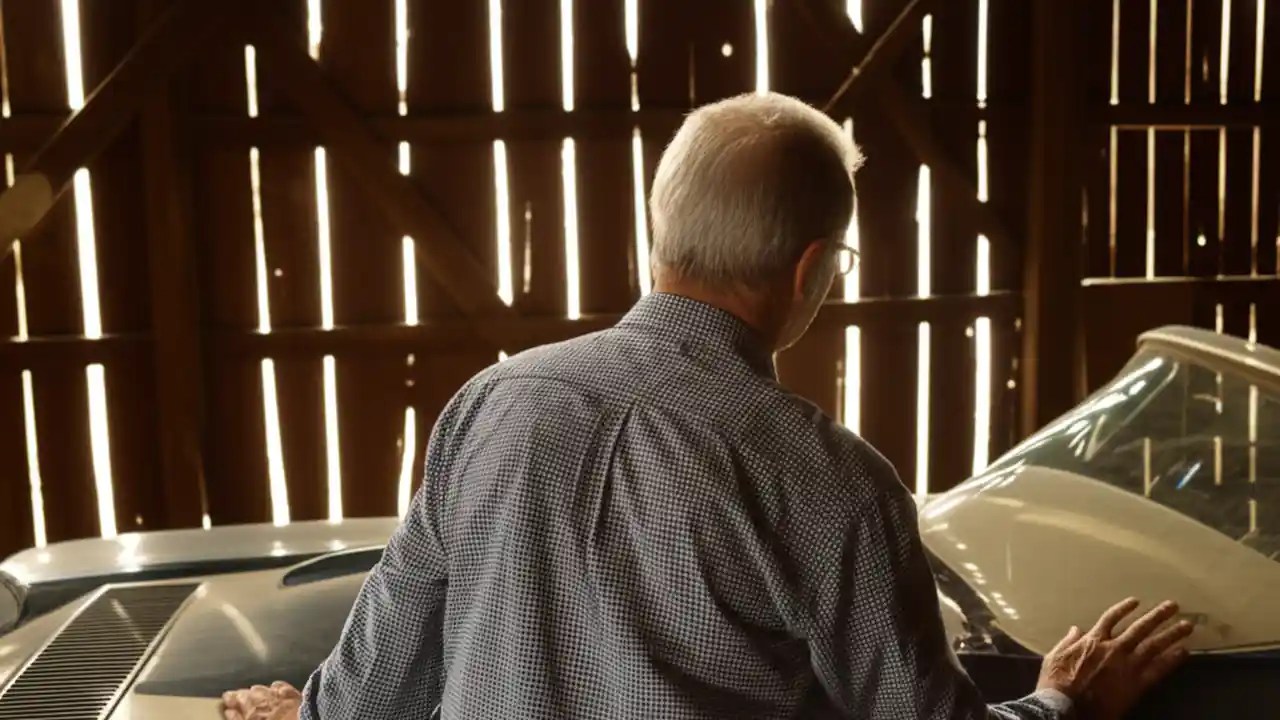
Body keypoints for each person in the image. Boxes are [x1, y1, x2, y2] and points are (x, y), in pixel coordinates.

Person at [223, 92, 1191, 720]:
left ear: (660, 233)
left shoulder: (488, 406)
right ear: (809, 270)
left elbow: (363, 695)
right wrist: (1064, 703)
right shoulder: (830, 484)